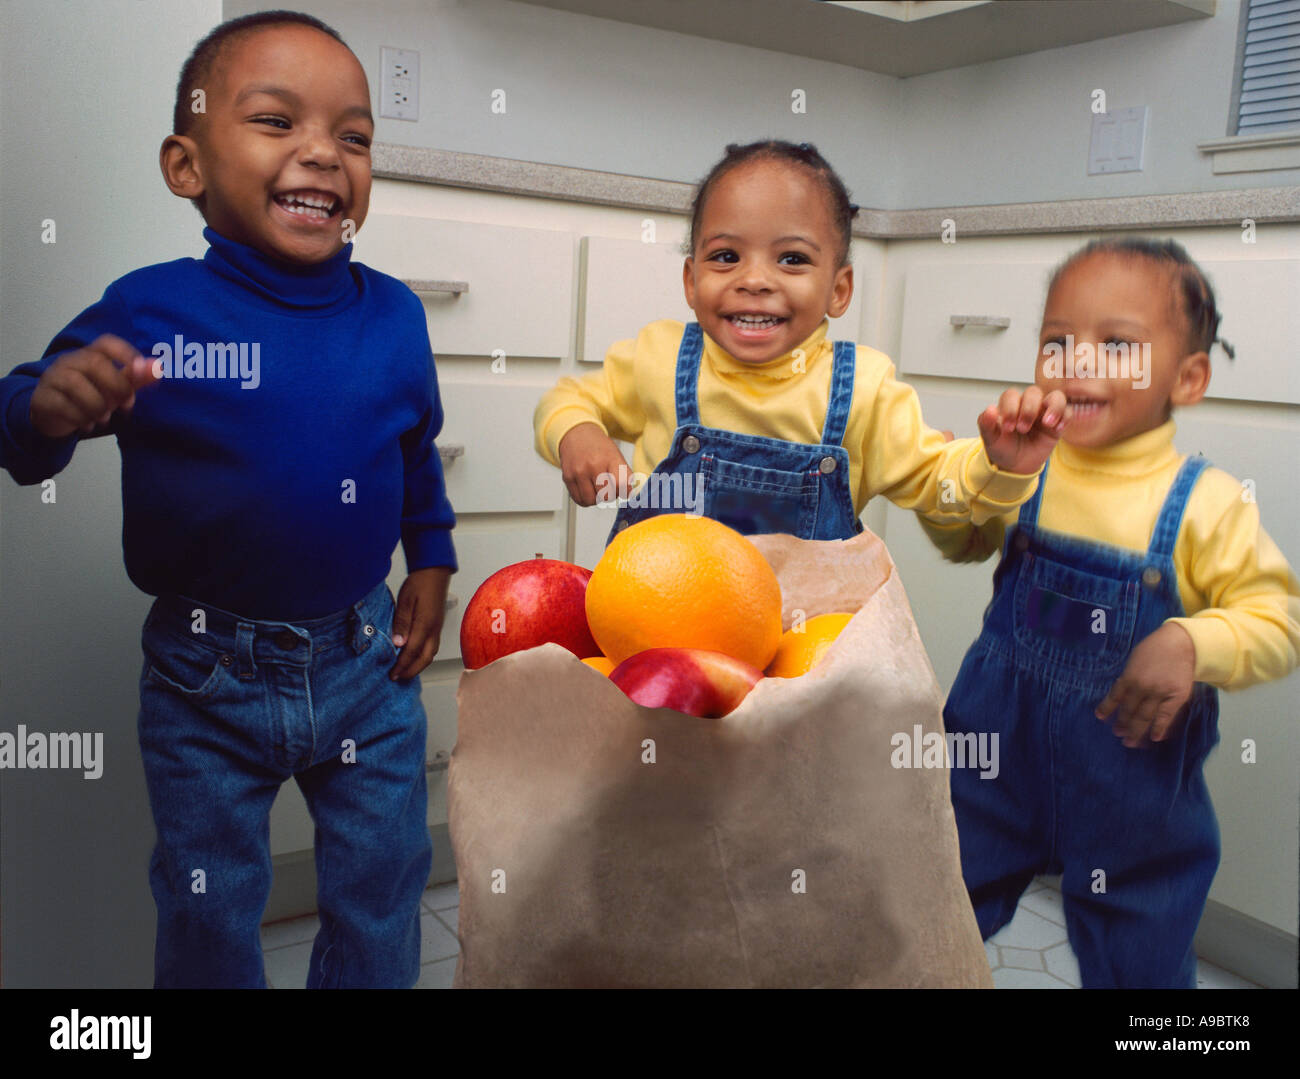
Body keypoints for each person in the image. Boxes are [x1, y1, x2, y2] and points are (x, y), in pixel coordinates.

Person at [0, 10, 457, 988]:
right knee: (208, 907)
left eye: (354, 136)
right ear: (186, 165)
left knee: (382, 883)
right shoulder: (150, 308)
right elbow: (21, 424)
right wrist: (44, 407)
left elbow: (414, 449)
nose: (322, 153)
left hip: (361, 662)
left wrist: (432, 556)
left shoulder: (395, 314)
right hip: (204, 676)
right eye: (275, 121)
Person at [925, 236, 1300, 988]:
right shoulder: (1031, 461)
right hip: (990, 766)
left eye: (1116, 344)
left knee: (1142, 956)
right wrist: (993, 472)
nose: (1076, 362)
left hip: (1133, 801)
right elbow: (959, 540)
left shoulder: (1207, 502)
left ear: (1188, 378)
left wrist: (1194, 640)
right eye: (1056, 342)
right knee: (936, 908)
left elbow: (1279, 620)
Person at [534, 139, 1067, 543]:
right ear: (691, 281)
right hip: (654, 625)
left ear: (839, 290)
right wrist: (577, 432)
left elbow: (938, 483)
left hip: (801, 653)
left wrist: (1002, 465)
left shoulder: (863, 388)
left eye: (791, 259)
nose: (756, 279)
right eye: (726, 256)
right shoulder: (659, 356)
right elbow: (567, 398)